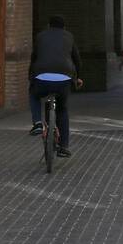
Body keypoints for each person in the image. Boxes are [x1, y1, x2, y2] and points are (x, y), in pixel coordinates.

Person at [28, 14, 83, 157]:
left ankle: (38, 123)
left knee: (33, 94)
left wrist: (31, 78)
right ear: (64, 27)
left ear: (49, 26)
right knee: (62, 110)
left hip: (41, 77)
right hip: (64, 79)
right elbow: (76, 59)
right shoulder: (69, 36)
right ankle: (64, 146)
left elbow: (34, 58)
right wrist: (79, 77)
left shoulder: (40, 37)